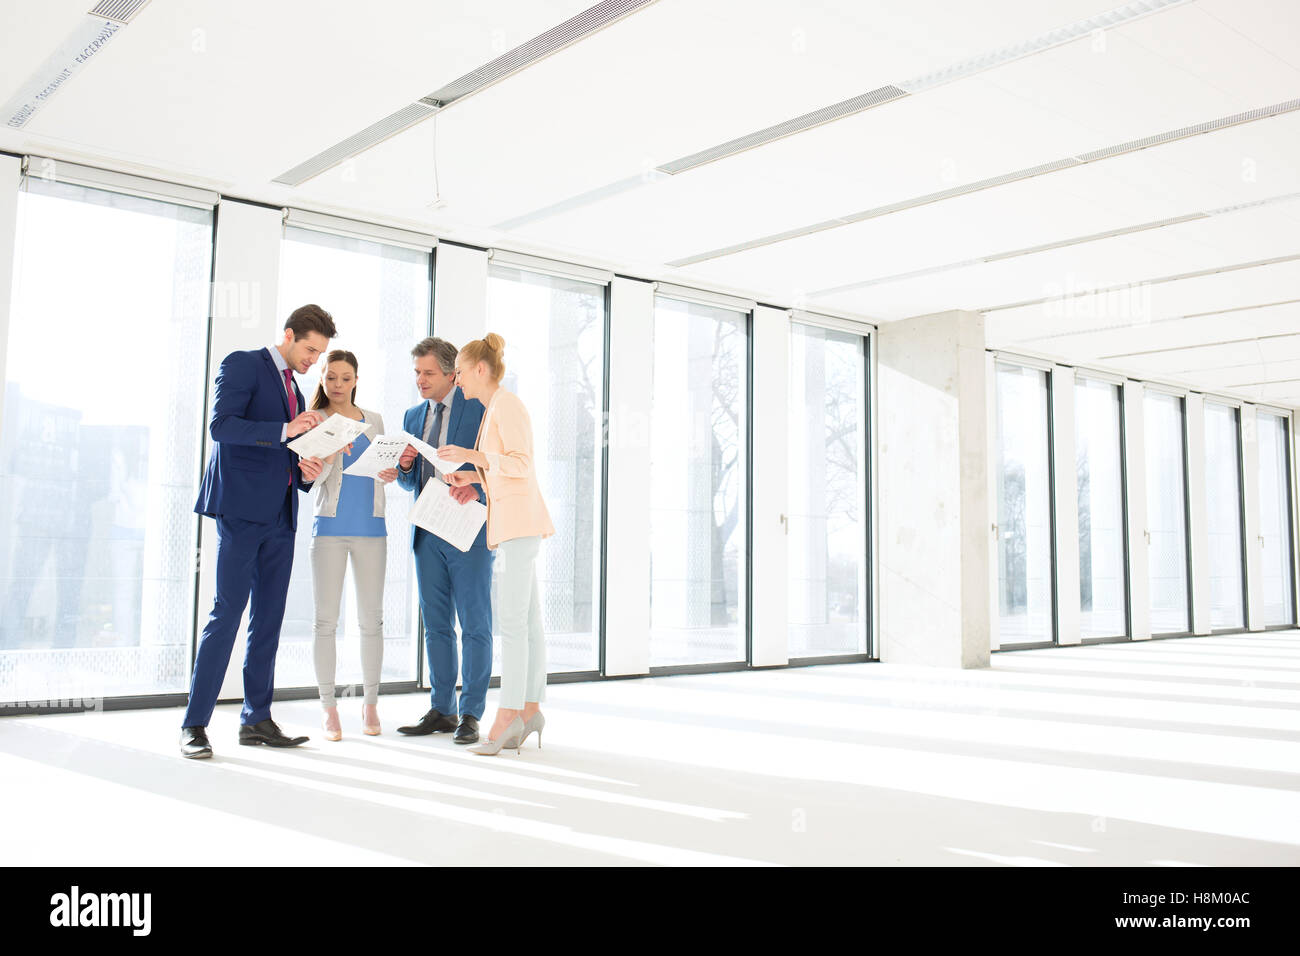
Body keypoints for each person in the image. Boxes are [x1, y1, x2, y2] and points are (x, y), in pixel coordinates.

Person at [180, 304, 337, 759]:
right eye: (310, 349)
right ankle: (194, 724)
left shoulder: (295, 388)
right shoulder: (243, 363)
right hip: (243, 511)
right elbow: (221, 426)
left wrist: (308, 468)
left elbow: (285, 449)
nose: (314, 360)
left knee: (268, 619)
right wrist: (287, 428)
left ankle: (257, 719)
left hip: (282, 514)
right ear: (287, 335)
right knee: (227, 613)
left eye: (319, 352)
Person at [438, 333, 554, 756]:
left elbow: (523, 464)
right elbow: (505, 468)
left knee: (513, 621)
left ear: (480, 369)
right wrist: (474, 476)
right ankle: (529, 707)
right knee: (528, 620)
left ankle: (507, 714)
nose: (458, 381)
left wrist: (475, 457)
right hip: (513, 521)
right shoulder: (494, 409)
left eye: (462, 373)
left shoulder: (507, 405)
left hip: (519, 523)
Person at [394, 337, 494, 745]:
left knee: (474, 624)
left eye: (428, 373)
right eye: (417, 372)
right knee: (435, 625)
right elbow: (408, 482)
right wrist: (402, 467)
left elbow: (499, 465)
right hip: (428, 529)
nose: (420, 380)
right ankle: (441, 708)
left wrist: (480, 489)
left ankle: (470, 713)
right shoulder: (413, 414)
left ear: (453, 374)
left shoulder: (482, 408)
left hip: (470, 530)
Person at [307, 350, 397, 740]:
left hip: (371, 530)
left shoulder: (375, 421)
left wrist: (391, 470)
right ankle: (329, 707)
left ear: (356, 379)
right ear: (323, 380)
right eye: (331, 378)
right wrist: (327, 454)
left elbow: (382, 469)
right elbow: (311, 480)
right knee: (325, 622)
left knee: (371, 621)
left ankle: (371, 704)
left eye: (345, 378)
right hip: (328, 530)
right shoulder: (315, 421)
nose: (338, 385)